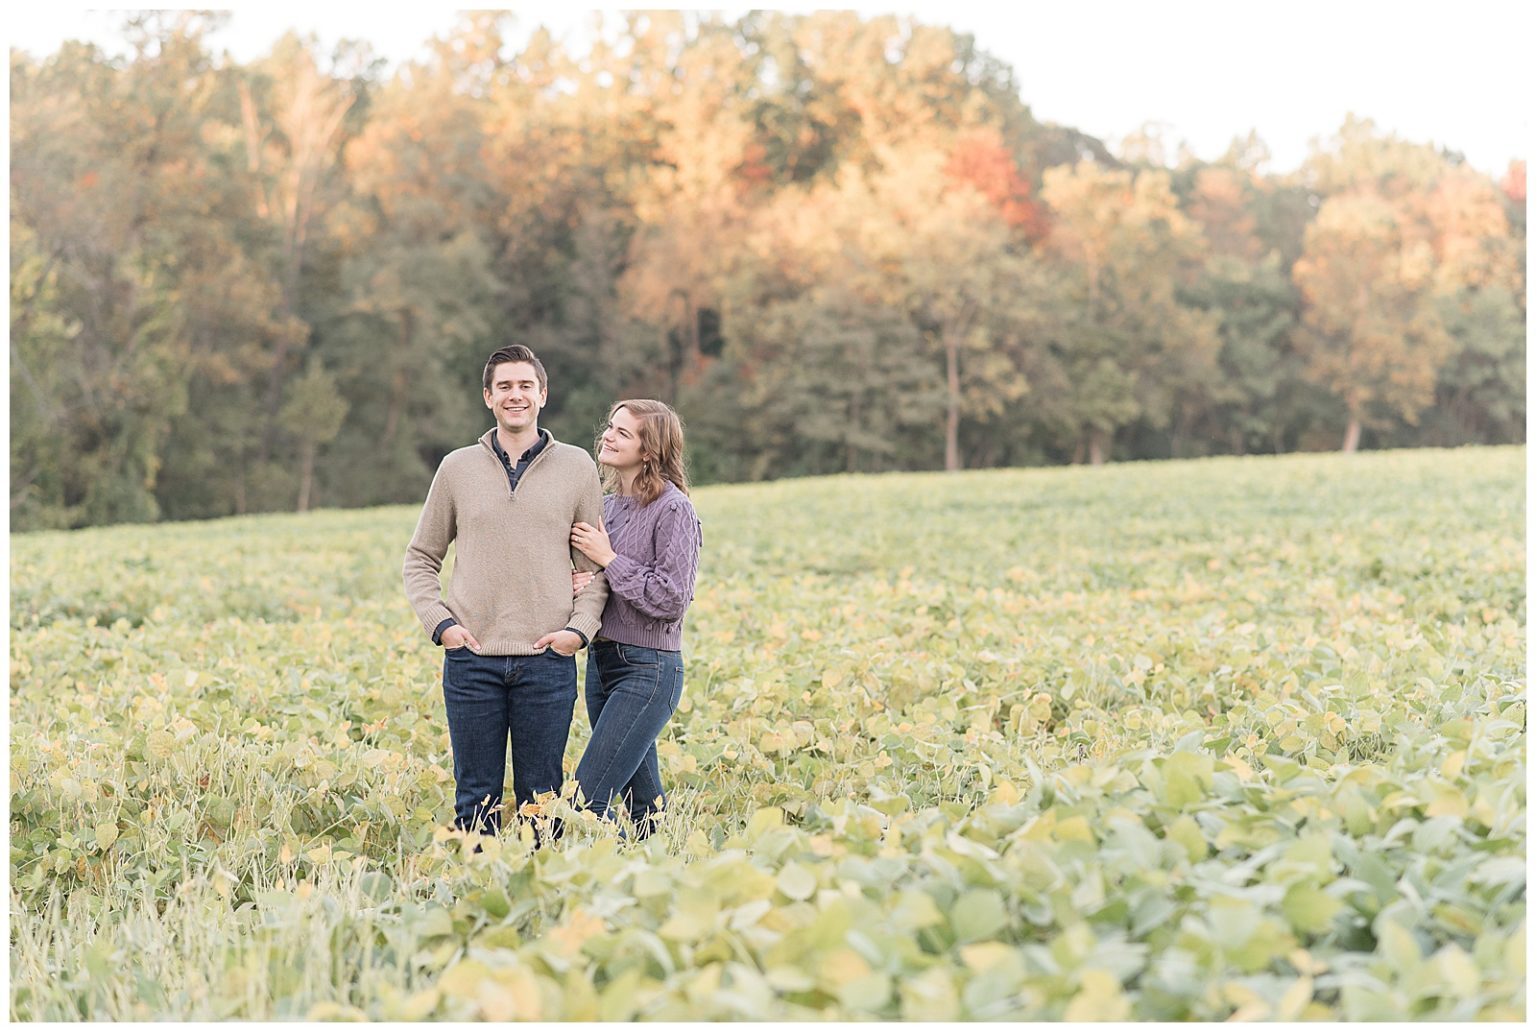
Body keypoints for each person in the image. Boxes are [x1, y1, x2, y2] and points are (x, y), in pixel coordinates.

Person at [403, 345, 608, 839]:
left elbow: (594, 568)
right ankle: (479, 904)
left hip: (548, 662)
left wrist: (577, 633)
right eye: (505, 387)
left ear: (542, 394)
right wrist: (443, 625)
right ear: (488, 398)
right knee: (475, 797)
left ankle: (542, 905)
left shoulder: (578, 467)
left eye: (525, 386)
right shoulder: (456, 469)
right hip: (473, 661)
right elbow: (420, 558)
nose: (515, 395)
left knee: (543, 799)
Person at [567, 399, 702, 838]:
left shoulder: (673, 509)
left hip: (649, 670)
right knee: (645, 804)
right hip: (602, 666)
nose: (607, 435)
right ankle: (661, 874)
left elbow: (671, 598)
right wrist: (580, 582)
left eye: (623, 433)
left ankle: (611, 872)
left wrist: (608, 559)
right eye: (611, 427)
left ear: (649, 450)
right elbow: (597, 581)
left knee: (588, 801)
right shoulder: (605, 507)